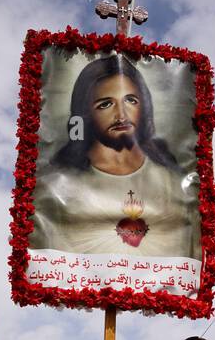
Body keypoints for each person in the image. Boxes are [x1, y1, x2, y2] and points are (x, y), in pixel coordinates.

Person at [30, 56, 199, 259]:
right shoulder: (59, 184)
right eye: (105, 104)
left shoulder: (171, 182)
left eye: (130, 100)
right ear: (85, 113)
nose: (121, 115)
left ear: (144, 107)